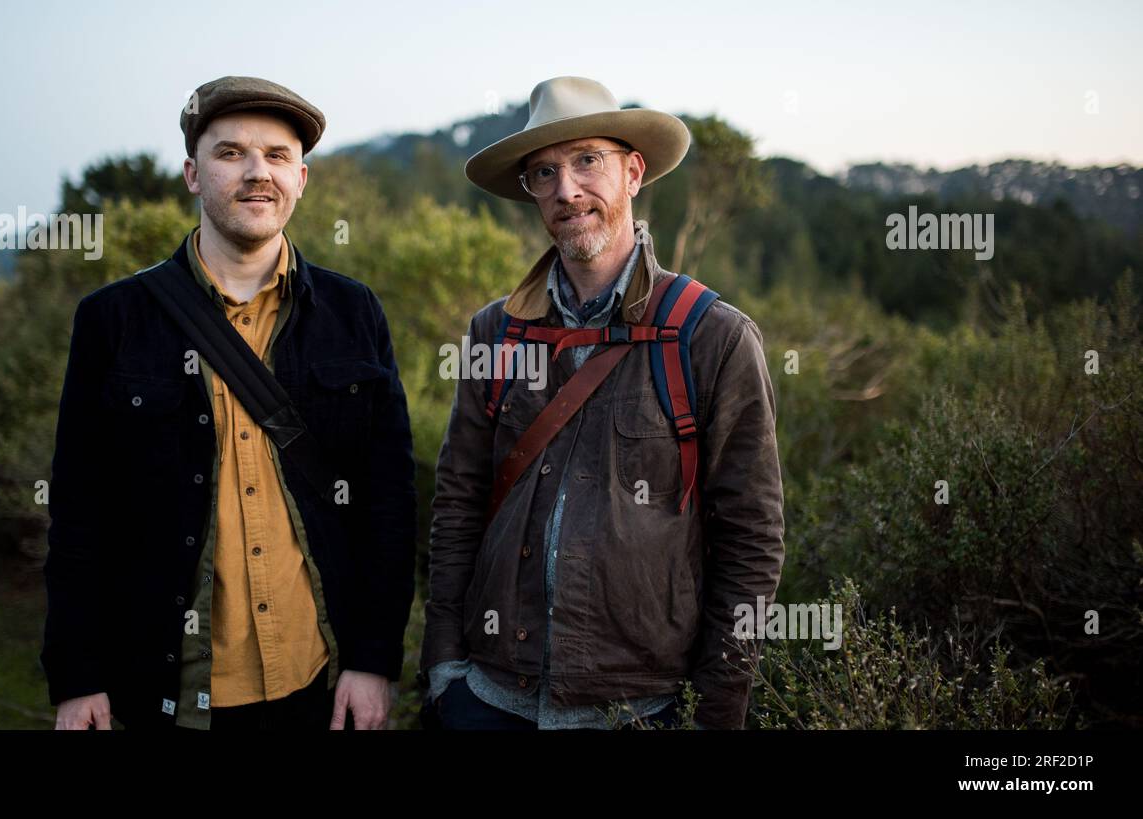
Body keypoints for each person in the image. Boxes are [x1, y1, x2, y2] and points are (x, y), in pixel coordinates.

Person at [42, 76, 417, 731]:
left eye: (276, 156)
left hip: (318, 680)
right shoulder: (112, 319)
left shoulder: (353, 312)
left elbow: (388, 500)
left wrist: (373, 658)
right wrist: (78, 676)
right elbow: (79, 510)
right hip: (165, 687)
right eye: (230, 153)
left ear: (302, 178)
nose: (256, 173)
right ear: (192, 173)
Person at [420, 76, 785, 730]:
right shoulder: (494, 333)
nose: (566, 189)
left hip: (641, 708)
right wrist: (444, 668)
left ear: (634, 171)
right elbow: (458, 498)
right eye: (544, 172)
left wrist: (715, 710)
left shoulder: (712, 337)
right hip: (490, 698)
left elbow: (752, 541)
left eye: (588, 160)